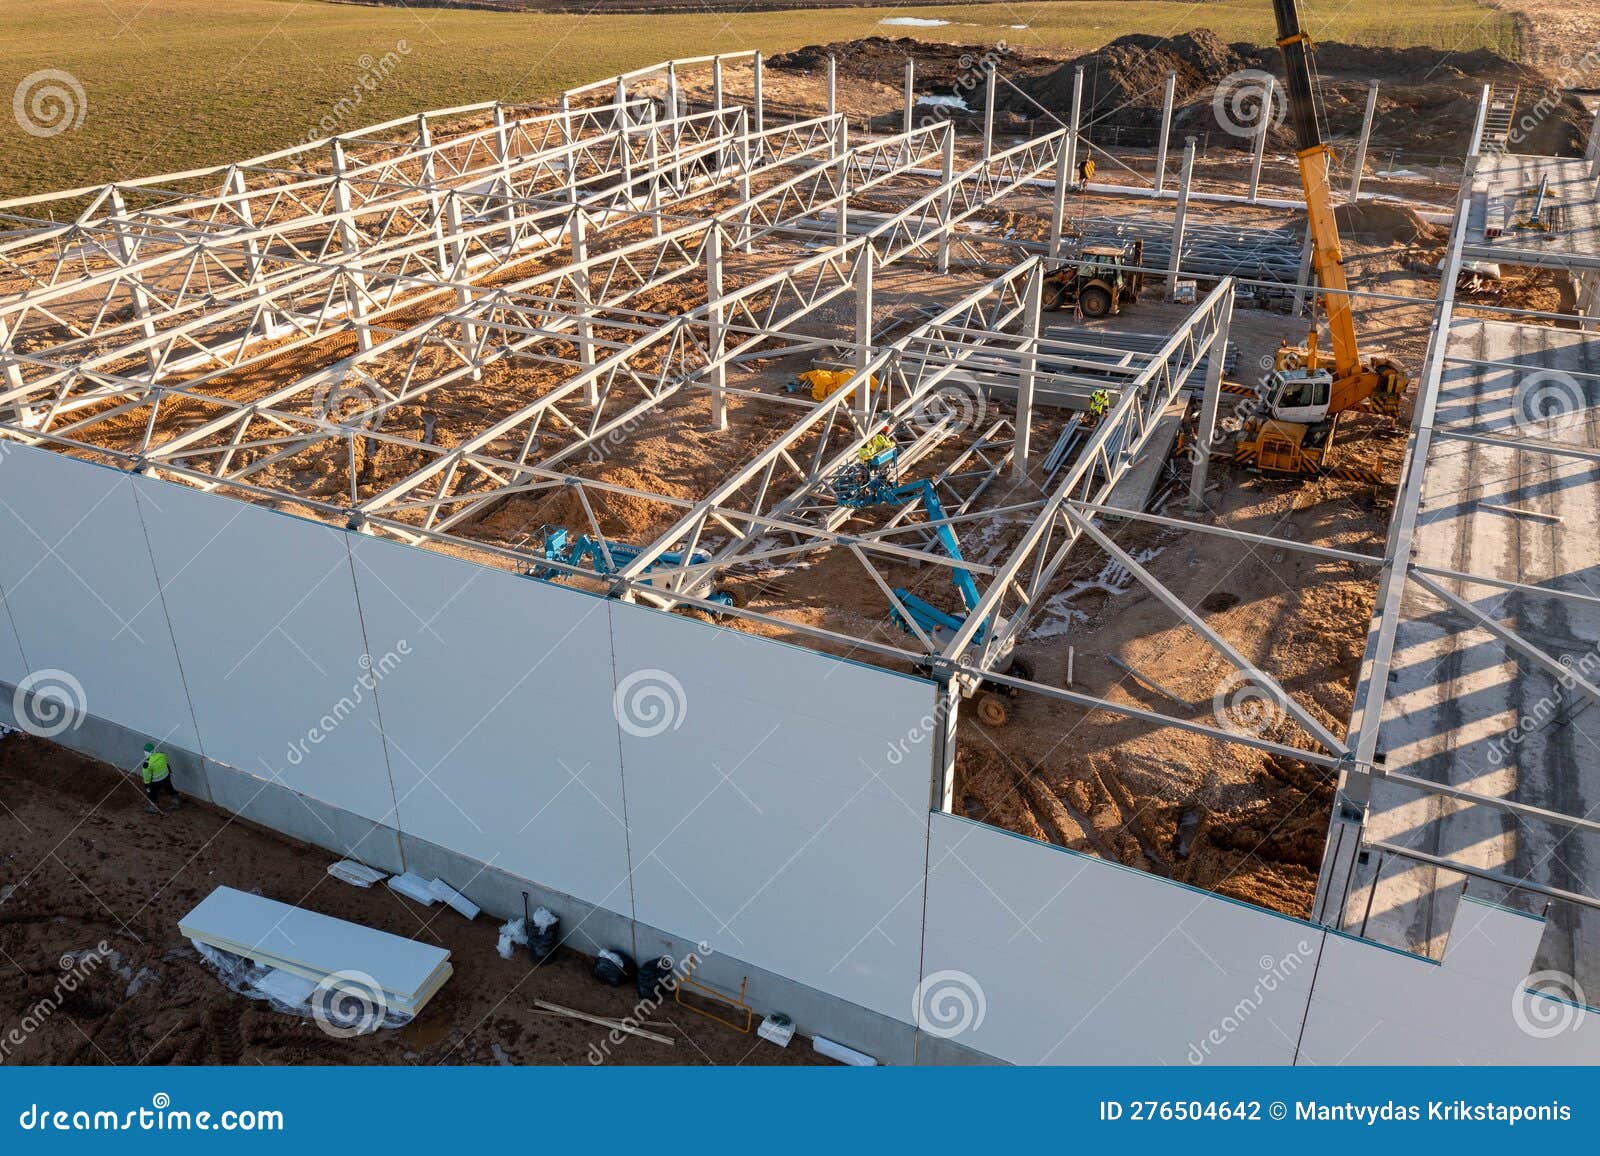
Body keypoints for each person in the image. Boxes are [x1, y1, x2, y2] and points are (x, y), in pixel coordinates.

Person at [139, 742, 180, 814]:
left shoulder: (147, 764)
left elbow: (147, 778)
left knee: (152, 793)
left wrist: (147, 788)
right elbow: (167, 764)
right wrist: (170, 772)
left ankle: (153, 807)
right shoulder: (162, 755)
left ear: (146, 753)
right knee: (169, 788)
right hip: (166, 777)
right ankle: (176, 801)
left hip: (156, 782)